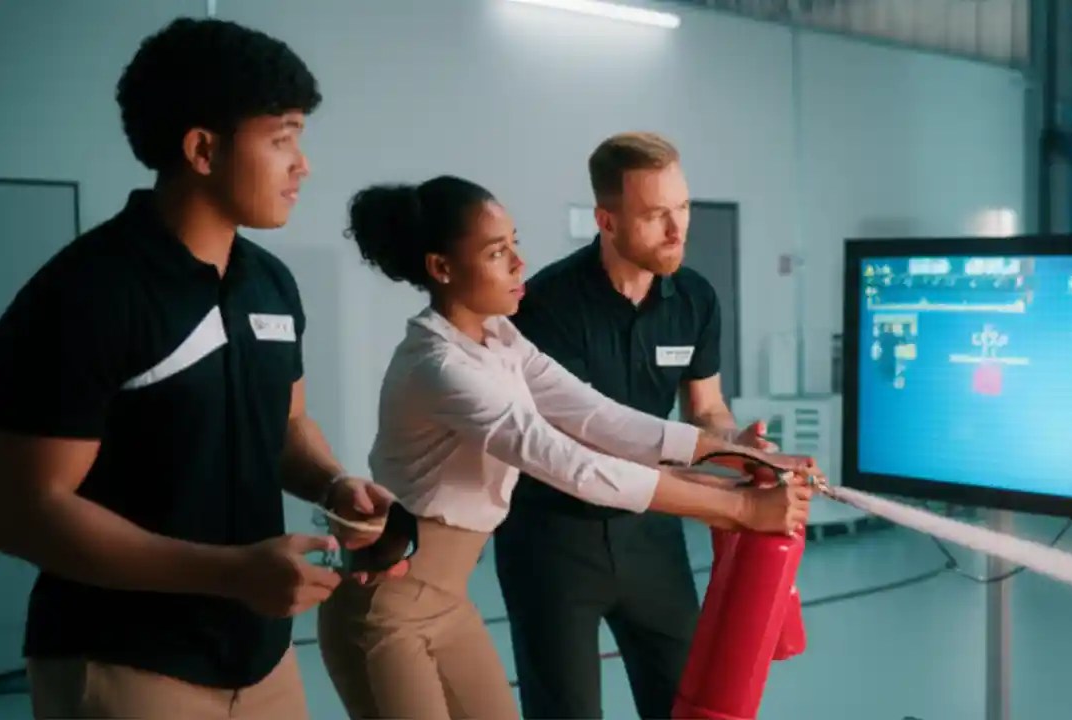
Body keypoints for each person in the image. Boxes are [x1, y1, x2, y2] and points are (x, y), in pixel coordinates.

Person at [0, 18, 402, 720]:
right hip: (125, 663)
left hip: (263, 658)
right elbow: (23, 511)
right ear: (202, 149)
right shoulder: (90, 293)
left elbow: (289, 424)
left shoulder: (269, 283)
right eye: (281, 140)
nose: (302, 164)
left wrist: (338, 486)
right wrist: (230, 574)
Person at [316, 175, 814, 720]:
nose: (518, 263)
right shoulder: (442, 367)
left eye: (515, 243)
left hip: (448, 603)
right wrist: (737, 507)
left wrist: (737, 457)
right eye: (496, 251)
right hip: (387, 607)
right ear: (442, 268)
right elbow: (571, 463)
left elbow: (600, 418)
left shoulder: (501, 340)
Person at [495, 131, 772, 719]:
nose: (678, 230)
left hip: (653, 533)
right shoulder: (546, 304)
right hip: (554, 538)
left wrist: (736, 446)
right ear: (607, 220)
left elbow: (706, 407)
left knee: (684, 705)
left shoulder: (696, 299)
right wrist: (722, 496)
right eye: (654, 215)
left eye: (683, 208)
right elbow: (578, 442)